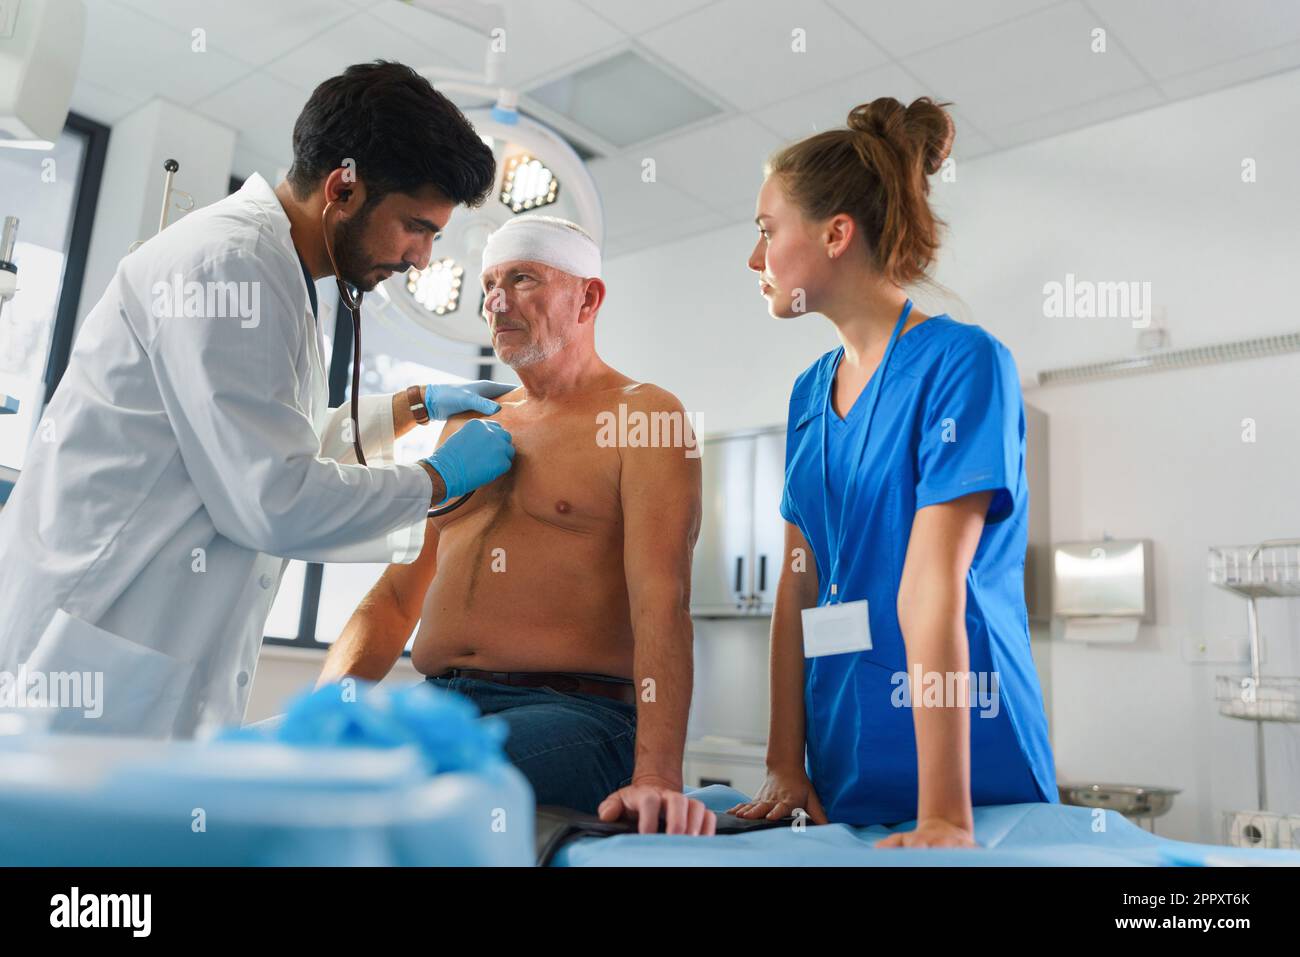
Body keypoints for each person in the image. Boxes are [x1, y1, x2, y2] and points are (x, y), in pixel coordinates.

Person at [0, 61, 515, 739]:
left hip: (131, 656)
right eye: (416, 227)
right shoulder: (231, 265)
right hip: (88, 652)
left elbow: (259, 443)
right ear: (345, 187)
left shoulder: (275, 273)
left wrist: (410, 407)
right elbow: (272, 497)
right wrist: (436, 481)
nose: (421, 258)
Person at [729, 97, 1057, 847]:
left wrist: (945, 813)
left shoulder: (962, 364)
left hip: (973, 768)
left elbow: (931, 583)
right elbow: (798, 582)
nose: (755, 260)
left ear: (836, 233)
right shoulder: (810, 393)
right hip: (847, 762)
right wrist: (784, 762)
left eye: (766, 231)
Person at [319, 216, 715, 835]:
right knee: (288, 774)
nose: (497, 302)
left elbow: (663, 604)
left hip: (574, 715)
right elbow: (395, 599)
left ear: (588, 297)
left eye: (522, 279)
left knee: (403, 789)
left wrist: (658, 777)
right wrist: (321, 715)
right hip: (441, 703)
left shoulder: (645, 414)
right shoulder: (466, 425)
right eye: (489, 285)